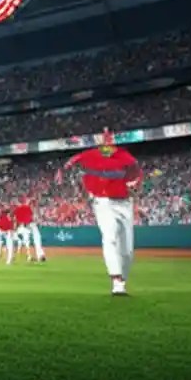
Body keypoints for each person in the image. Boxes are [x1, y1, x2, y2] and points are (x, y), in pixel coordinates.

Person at [58, 127, 142, 296]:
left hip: (124, 203)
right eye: (104, 142)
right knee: (109, 238)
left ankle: (122, 280)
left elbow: (137, 174)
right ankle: (116, 281)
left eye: (109, 142)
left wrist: (134, 186)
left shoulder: (125, 157)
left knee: (127, 250)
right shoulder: (90, 155)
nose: (106, 146)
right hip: (103, 203)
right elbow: (71, 162)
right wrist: (62, 172)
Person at [13, 198, 46, 262]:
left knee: (37, 239)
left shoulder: (25, 208)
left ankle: (40, 255)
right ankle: (30, 256)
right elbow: (18, 220)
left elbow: (32, 217)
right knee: (27, 241)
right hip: (26, 226)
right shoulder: (23, 208)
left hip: (31, 225)